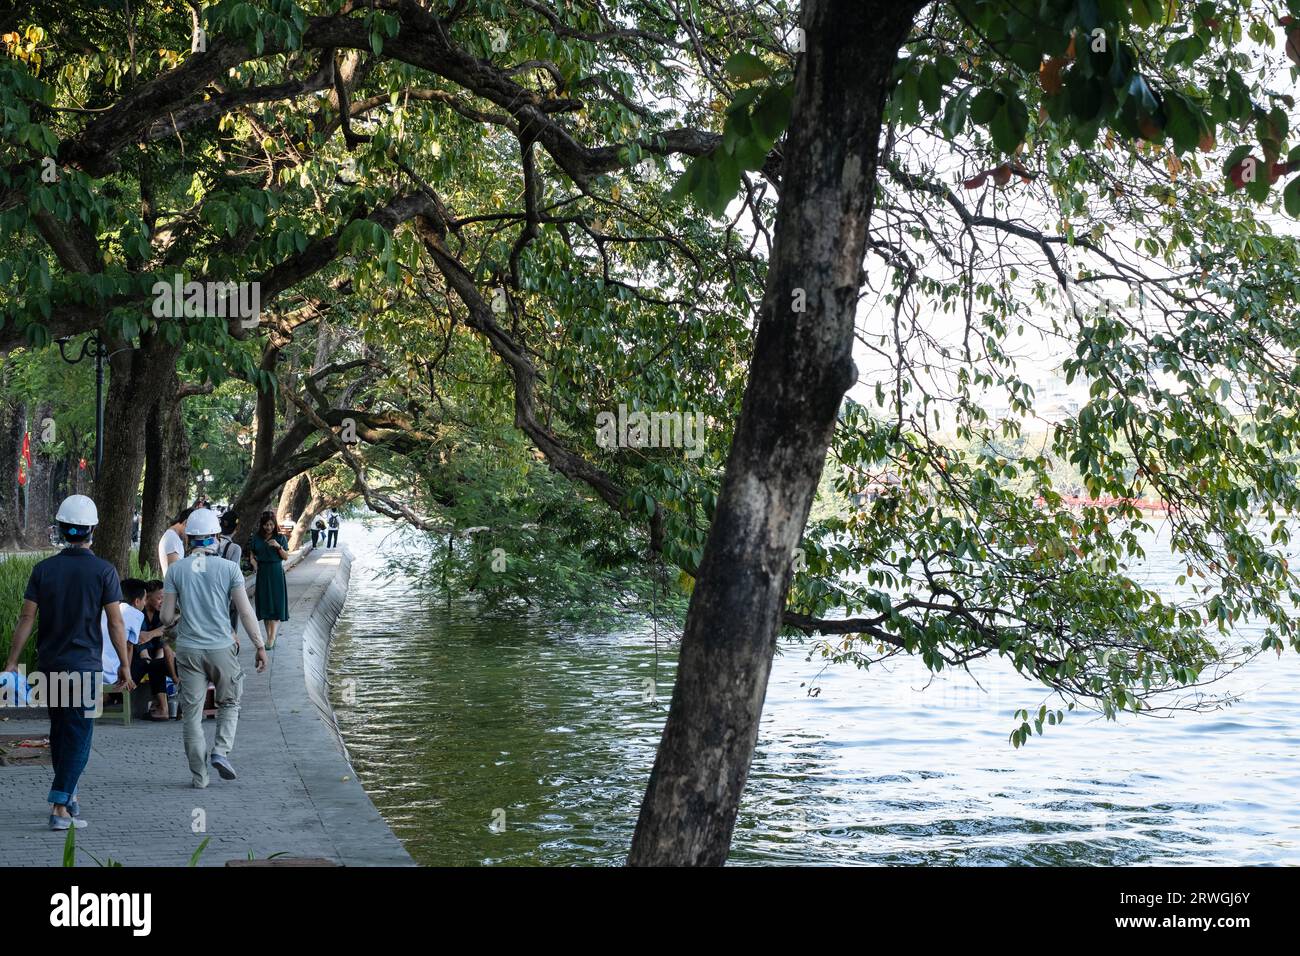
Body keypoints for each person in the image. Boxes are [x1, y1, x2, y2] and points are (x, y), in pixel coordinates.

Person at [2, 495, 130, 831]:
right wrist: (125, 665)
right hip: (85, 668)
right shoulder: (104, 570)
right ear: (92, 530)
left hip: (50, 666)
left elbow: (26, 618)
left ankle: (69, 795)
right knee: (79, 735)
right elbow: (117, 623)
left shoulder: (43, 570)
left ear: (60, 529)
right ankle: (59, 805)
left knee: (60, 733)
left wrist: (12, 662)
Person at [162, 508, 266, 788]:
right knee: (229, 702)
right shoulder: (229, 569)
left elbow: (165, 617)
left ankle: (200, 778)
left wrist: (183, 612)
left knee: (191, 716)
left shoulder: (176, 570)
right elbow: (245, 613)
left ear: (190, 540)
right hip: (221, 647)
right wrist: (260, 645)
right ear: (216, 538)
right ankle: (220, 751)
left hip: (188, 650)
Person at [250, 511, 290, 650]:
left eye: (271, 524)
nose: (268, 527)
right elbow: (252, 556)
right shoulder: (256, 538)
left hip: (276, 572)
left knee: (276, 605)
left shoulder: (280, 538)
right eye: (266, 524)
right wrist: (254, 565)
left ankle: (272, 637)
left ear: (275, 524)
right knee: (266, 605)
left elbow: (286, 557)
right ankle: (269, 637)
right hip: (262, 572)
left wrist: (278, 546)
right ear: (262, 525)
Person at [140, 579, 177, 719]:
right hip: (142, 656)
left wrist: (151, 635)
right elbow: (138, 638)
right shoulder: (139, 612)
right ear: (147, 597)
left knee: (156, 666)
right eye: (159, 598)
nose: (162, 601)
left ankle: (162, 708)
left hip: (159, 654)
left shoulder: (163, 613)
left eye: (165, 598)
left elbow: (165, 638)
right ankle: (162, 707)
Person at [215, 510, 244, 641]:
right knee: (229, 628)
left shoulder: (212, 543)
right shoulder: (235, 548)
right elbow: (234, 574)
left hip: (211, 591)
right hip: (226, 594)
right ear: (236, 528)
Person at [157, 507, 193, 573]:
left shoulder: (173, 537)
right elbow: (176, 573)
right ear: (185, 522)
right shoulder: (172, 539)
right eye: (191, 530)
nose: (190, 535)